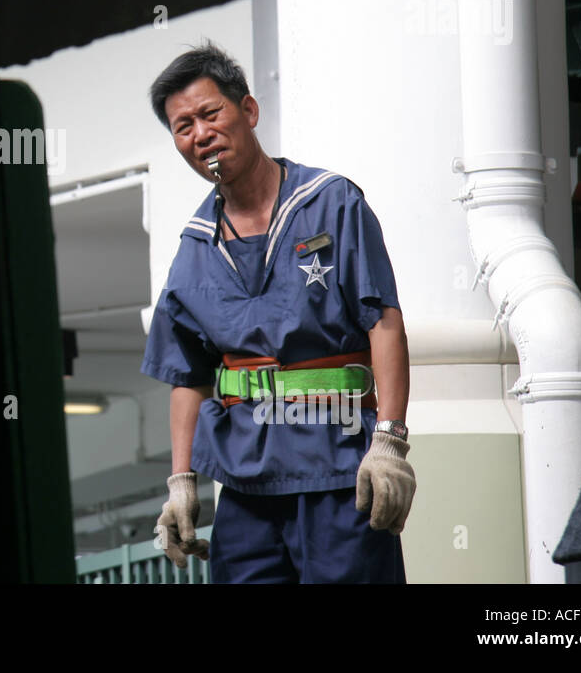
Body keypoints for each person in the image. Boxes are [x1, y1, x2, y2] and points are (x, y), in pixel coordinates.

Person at [141, 43, 415, 583]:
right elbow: (188, 376)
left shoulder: (331, 203)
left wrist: (389, 443)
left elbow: (383, 320)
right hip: (244, 485)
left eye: (210, 114)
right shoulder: (195, 247)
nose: (200, 134)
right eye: (182, 126)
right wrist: (180, 483)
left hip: (340, 469)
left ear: (249, 111)